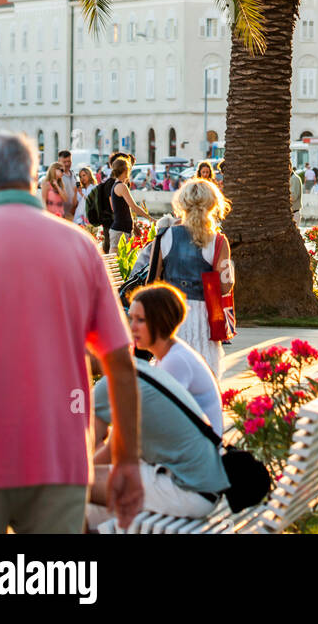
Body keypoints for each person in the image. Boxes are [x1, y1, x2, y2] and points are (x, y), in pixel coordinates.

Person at [0, 132, 141, 533]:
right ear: (33, 178)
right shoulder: (80, 247)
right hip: (61, 462)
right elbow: (120, 363)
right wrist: (126, 461)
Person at [88, 353, 229, 530]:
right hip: (202, 485)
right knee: (89, 509)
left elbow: (83, 448)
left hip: (189, 489)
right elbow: (113, 450)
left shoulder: (112, 382)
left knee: (73, 485)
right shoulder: (138, 369)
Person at [157, 179, 234, 376]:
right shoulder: (217, 242)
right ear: (213, 205)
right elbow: (225, 286)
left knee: (171, 373)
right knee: (204, 372)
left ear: (181, 204)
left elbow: (154, 280)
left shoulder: (165, 236)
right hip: (203, 316)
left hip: (171, 313)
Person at [128, 283, 222, 432]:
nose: (132, 327)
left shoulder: (176, 360)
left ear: (160, 322)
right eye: (131, 318)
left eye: (140, 320)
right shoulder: (166, 356)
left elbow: (157, 418)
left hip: (197, 452)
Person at [109, 153, 151, 253]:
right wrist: (150, 218)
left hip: (123, 229)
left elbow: (124, 209)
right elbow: (134, 207)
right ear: (126, 170)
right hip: (120, 230)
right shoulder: (122, 186)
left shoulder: (118, 185)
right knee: (114, 262)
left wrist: (134, 225)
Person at [58, 148, 78, 221]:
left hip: (73, 214)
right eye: (64, 162)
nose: (67, 164)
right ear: (59, 162)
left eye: (69, 161)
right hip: (61, 215)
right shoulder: (57, 176)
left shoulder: (73, 174)